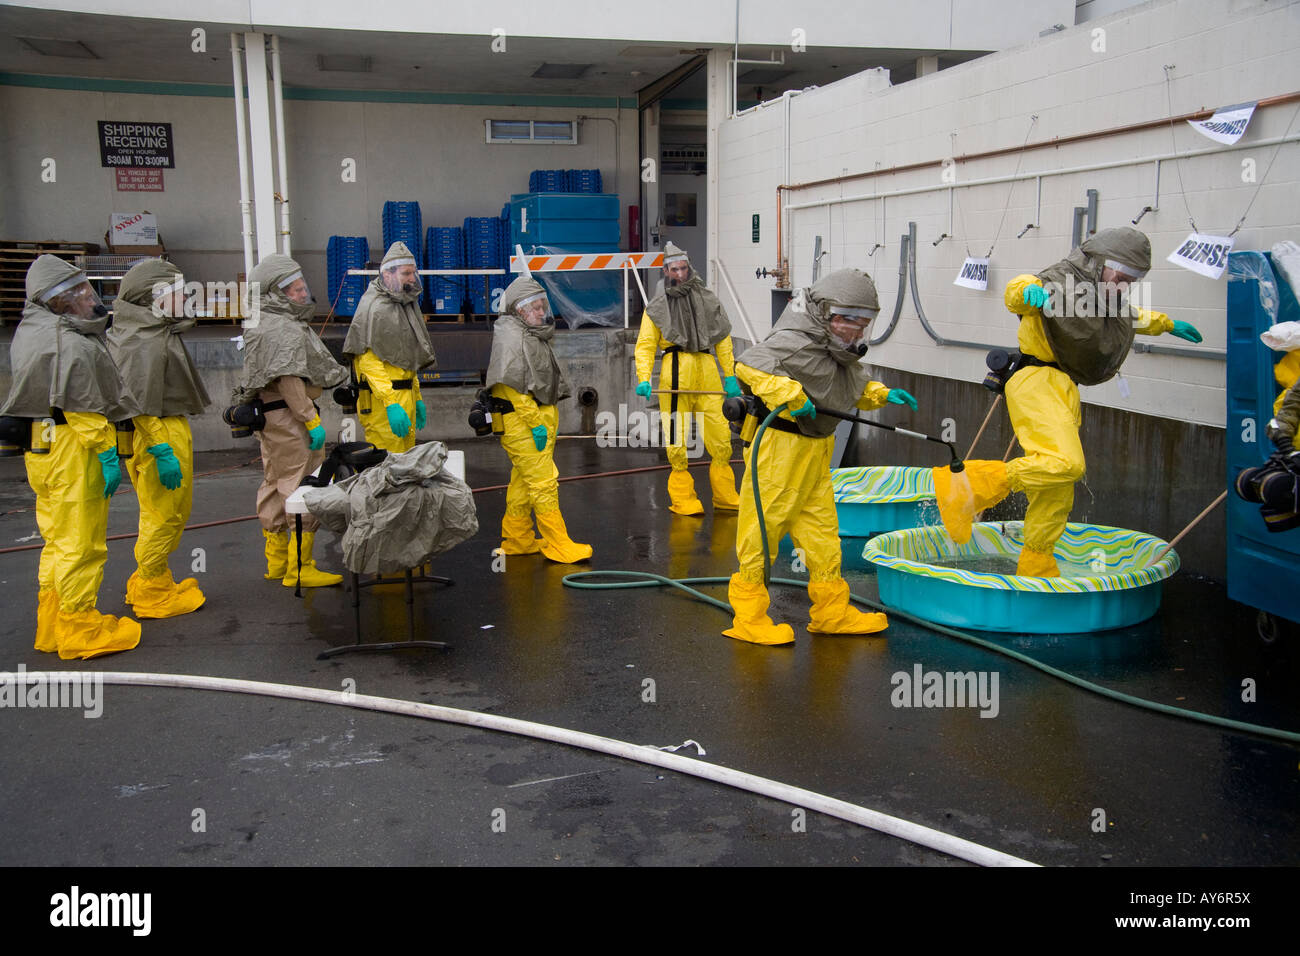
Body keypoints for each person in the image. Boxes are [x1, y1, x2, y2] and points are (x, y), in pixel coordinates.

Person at [933, 227, 1203, 577]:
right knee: (1066, 463)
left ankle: (1037, 560)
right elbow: (1018, 289)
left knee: (1057, 487)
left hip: (1063, 387)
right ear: (1099, 264)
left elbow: (1129, 316)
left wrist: (1166, 324)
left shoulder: (1102, 299)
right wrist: (1026, 292)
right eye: (1119, 275)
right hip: (1035, 381)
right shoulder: (1055, 284)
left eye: (1130, 281)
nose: (1122, 285)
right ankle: (966, 486)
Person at [726, 268, 918, 645]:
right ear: (831, 315)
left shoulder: (833, 350)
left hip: (816, 450)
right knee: (763, 530)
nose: (859, 333)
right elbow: (747, 363)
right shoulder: (794, 341)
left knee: (822, 534)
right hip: (780, 450)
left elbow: (841, 383)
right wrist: (790, 394)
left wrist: (880, 394)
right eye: (855, 324)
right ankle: (749, 615)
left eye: (865, 324)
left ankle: (832, 611)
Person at [0, 255, 142, 658]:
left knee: (57, 541)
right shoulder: (69, 342)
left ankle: (53, 623)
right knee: (82, 544)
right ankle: (79, 628)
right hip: (72, 450)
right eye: (78, 291)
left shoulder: (34, 330)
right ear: (58, 300)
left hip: (42, 448)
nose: (88, 297)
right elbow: (82, 405)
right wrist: (107, 452)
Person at [234, 253, 349, 586]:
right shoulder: (280, 328)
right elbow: (289, 380)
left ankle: (278, 560)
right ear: (274, 294)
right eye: (294, 290)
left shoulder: (263, 323)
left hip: (271, 418)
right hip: (288, 418)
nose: (303, 294)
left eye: (302, 288)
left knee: (274, 482)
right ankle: (301, 567)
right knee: (301, 485)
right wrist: (310, 419)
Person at [107, 259, 210, 618]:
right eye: (178, 291)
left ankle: (154, 579)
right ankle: (151, 591)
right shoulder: (142, 341)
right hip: (157, 434)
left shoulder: (155, 331)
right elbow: (137, 403)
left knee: (171, 512)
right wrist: (160, 448)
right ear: (155, 297)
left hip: (166, 429)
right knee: (162, 515)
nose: (186, 296)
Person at [486, 276, 592, 563]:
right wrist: (535, 424)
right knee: (544, 483)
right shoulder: (512, 338)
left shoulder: (530, 335)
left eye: (542, 306)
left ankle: (517, 539)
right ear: (518, 311)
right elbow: (512, 390)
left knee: (523, 482)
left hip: (532, 420)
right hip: (522, 423)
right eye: (533, 308)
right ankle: (558, 544)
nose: (540, 313)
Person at [634, 242, 741, 515]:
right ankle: (683, 498)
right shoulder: (657, 308)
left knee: (719, 434)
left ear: (689, 267)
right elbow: (646, 345)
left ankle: (726, 495)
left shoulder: (707, 299)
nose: (679, 274)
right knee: (676, 435)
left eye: (683, 268)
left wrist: (730, 376)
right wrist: (644, 377)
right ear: (665, 270)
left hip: (707, 373)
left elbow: (723, 340)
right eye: (674, 269)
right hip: (675, 373)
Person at [343, 241, 437, 453]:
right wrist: (391, 403)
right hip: (382, 406)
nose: (412, 279)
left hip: (404, 400)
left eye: (413, 273)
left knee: (404, 465)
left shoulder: (403, 304)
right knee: (386, 467)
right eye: (406, 274)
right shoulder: (374, 308)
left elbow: (408, 359)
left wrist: (417, 397)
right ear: (387, 275)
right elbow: (368, 362)